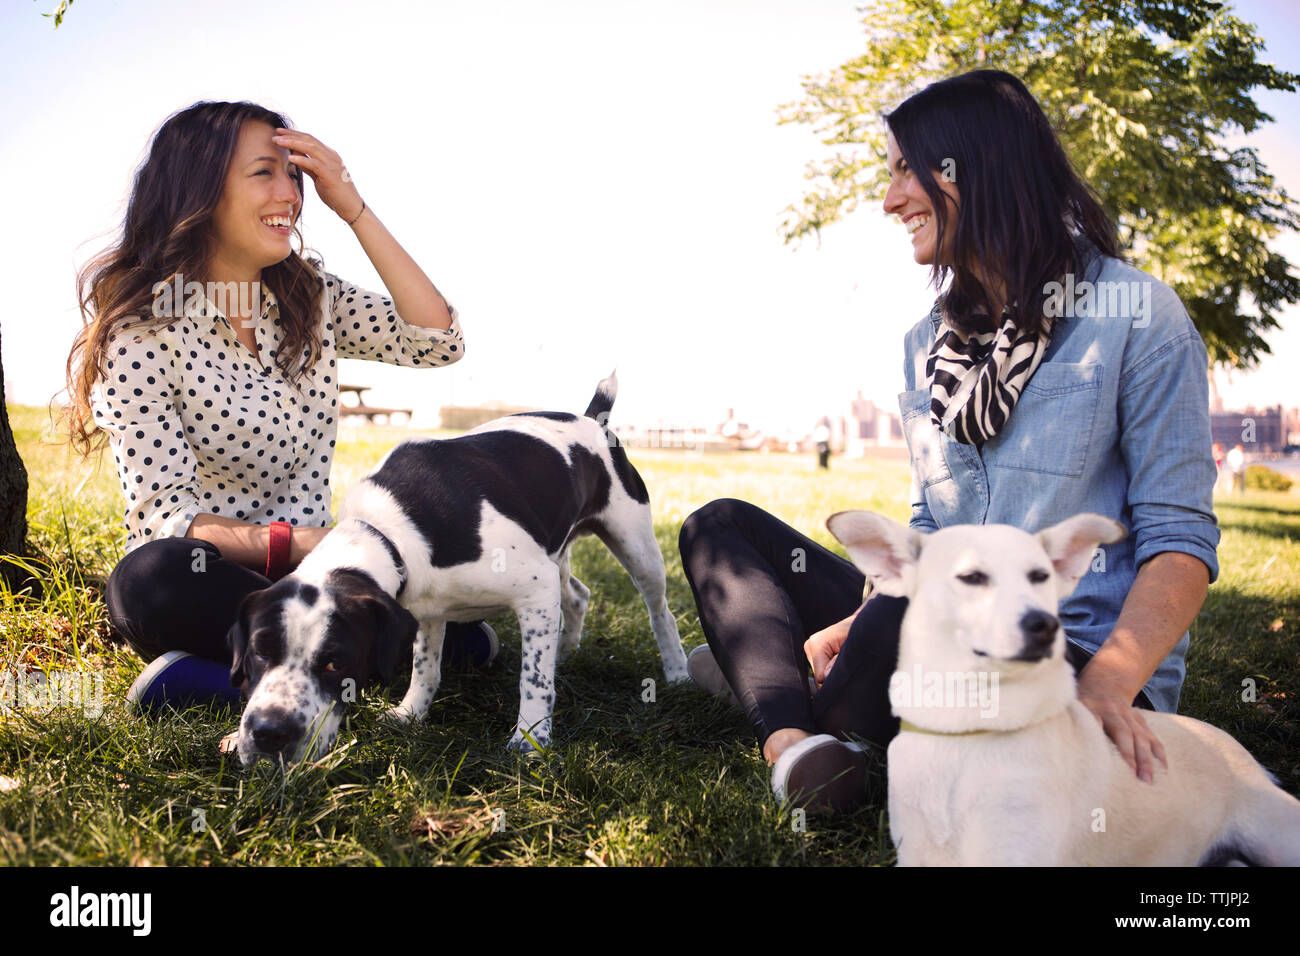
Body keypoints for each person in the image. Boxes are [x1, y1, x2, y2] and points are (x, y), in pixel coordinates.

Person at [678, 70, 1219, 812]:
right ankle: (799, 748)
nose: (890, 198)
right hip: (937, 623)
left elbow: (1178, 542)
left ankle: (783, 691)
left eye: (908, 170)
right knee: (720, 526)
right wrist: (857, 619)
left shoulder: (1138, 319)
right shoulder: (924, 346)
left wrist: (1108, 685)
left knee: (913, 615)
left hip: (1062, 655)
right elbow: (929, 525)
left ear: (978, 167)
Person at [66, 101, 495, 712]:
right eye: (264, 172)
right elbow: (169, 516)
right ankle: (328, 673)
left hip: (317, 580)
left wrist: (354, 208)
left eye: (293, 175)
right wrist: (309, 543)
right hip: (215, 576)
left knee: (467, 636)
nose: (289, 194)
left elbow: (437, 341)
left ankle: (211, 682)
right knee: (149, 578)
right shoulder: (141, 331)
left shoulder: (310, 296)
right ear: (200, 191)